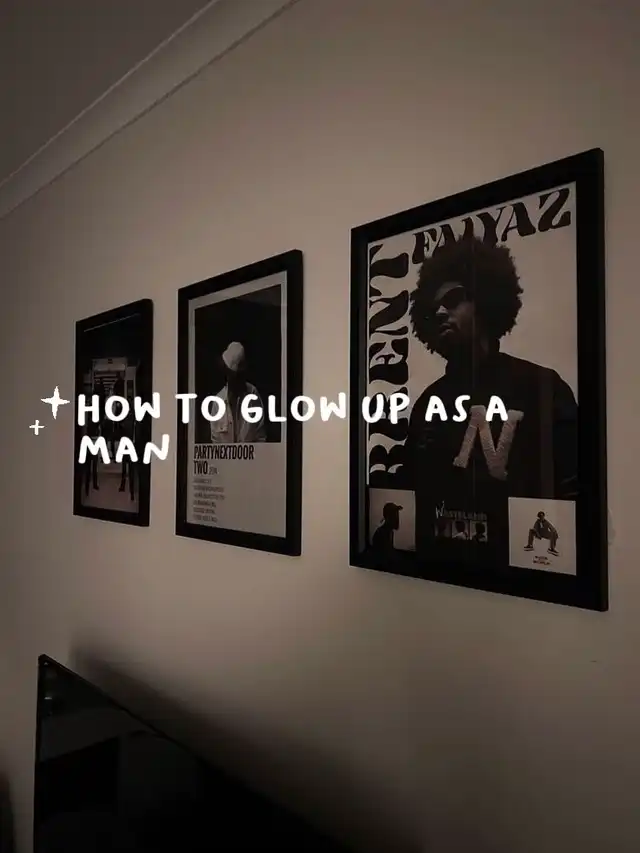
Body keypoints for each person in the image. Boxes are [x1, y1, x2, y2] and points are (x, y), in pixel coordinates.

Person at [404, 235, 577, 554]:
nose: (440, 311)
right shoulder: (428, 403)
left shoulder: (541, 387)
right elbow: (417, 495)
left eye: (454, 299)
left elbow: (574, 492)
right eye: (433, 307)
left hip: (525, 567)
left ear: (485, 302)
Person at [210, 342, 267, 443]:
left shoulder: (253, 395)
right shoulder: (218, 402)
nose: (235, 379)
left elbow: (260, 438)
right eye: (232, 375)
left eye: (238, 375)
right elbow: (215, 443)